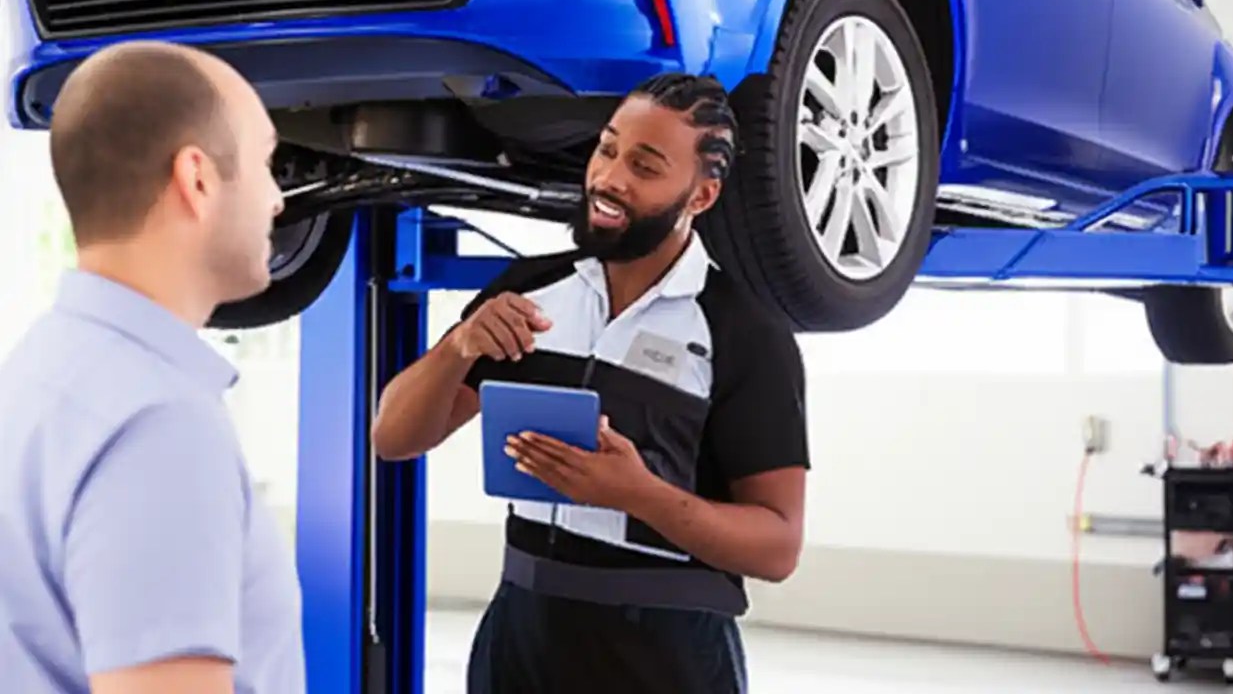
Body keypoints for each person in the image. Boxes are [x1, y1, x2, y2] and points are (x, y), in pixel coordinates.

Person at [373, 73, 811, 693]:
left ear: (701, 196)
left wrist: (639, 494)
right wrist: (459, 345)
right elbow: (392, 438)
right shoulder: (528, 292)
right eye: (606, 150)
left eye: (645, 165)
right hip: (518, 640)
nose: (610, 179)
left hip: (666, 657)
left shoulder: (745, 334)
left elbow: (778, 547)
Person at [0, 41, 305, 694]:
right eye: (266, 162)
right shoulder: (157, 425)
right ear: (196, 180)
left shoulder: (42, 370)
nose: (280, 197)